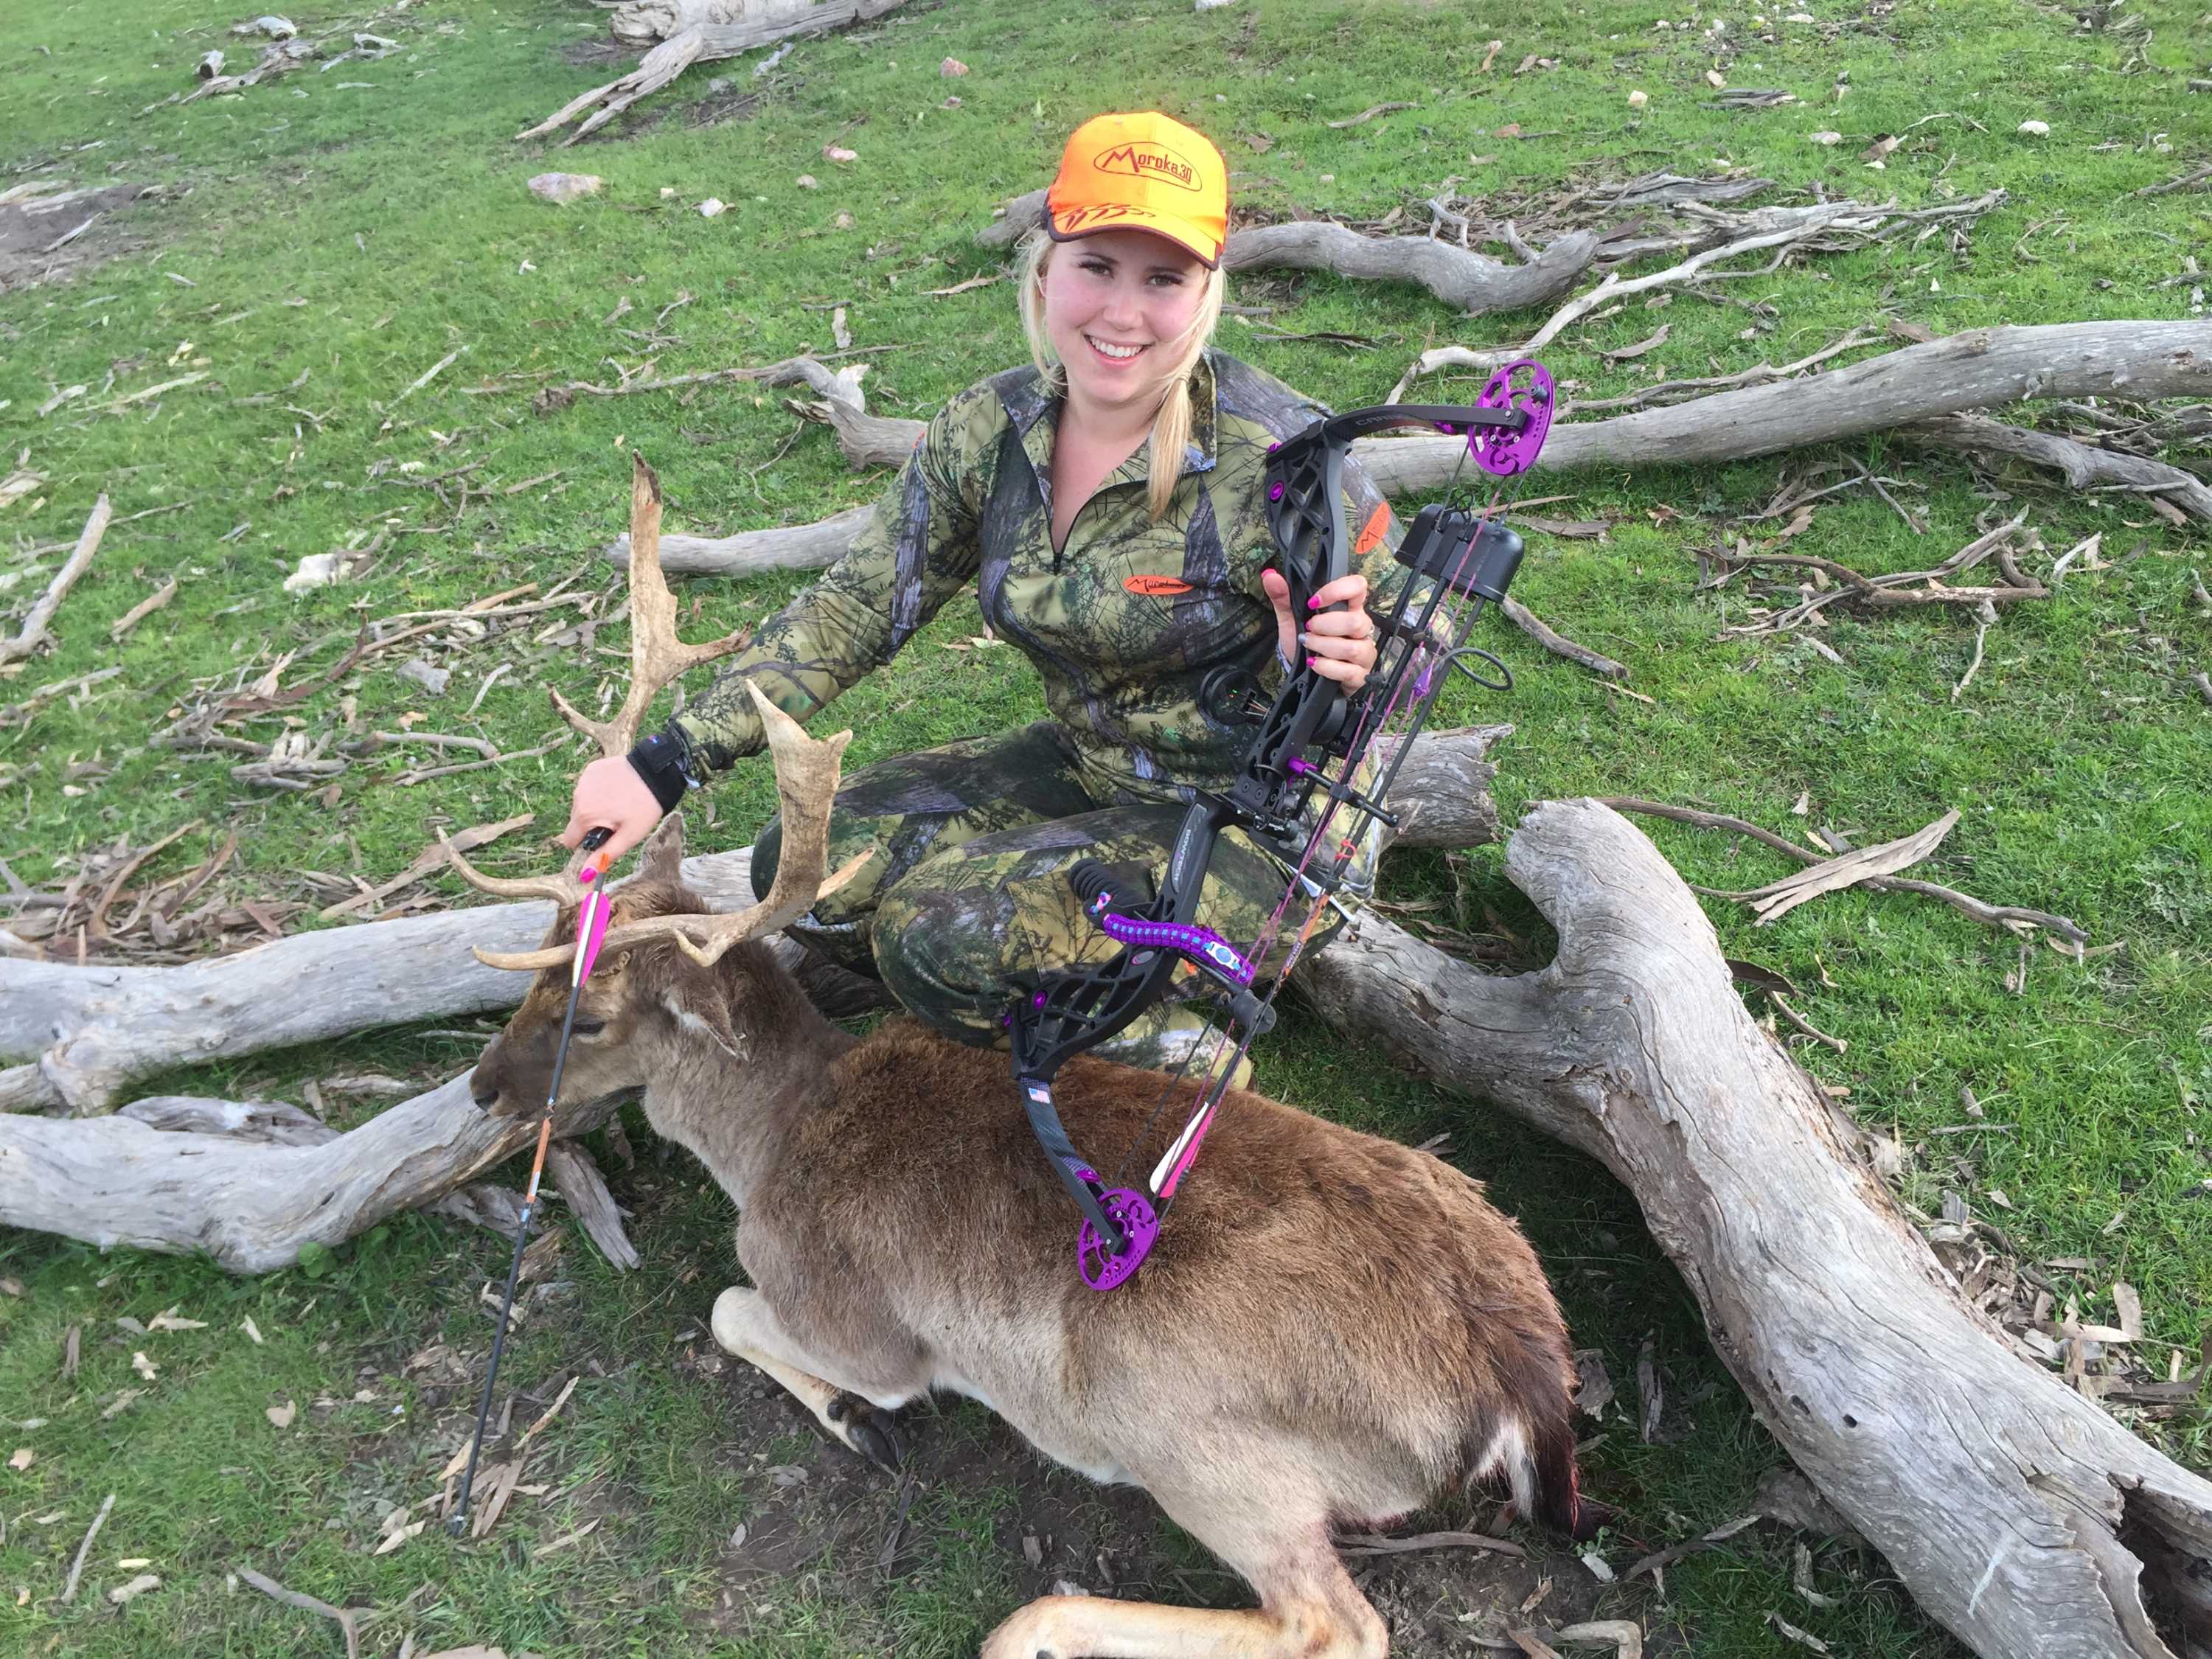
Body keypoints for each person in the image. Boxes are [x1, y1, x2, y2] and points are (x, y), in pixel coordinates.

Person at [560, 111, 1405, 1082]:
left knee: (931, 941)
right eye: (1097, 267)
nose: (1122, 313)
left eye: (1163, 280)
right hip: (1094, 770)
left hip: (1267, 828)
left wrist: (1329, 670)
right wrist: (663, 765)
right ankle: (1067, 976)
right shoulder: (987, 433)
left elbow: (1403, 659)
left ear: (1206, 294)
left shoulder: (1290, 460)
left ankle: (1181, 1059)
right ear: (1045, 272)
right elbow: (854, 610)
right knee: (814, 873)